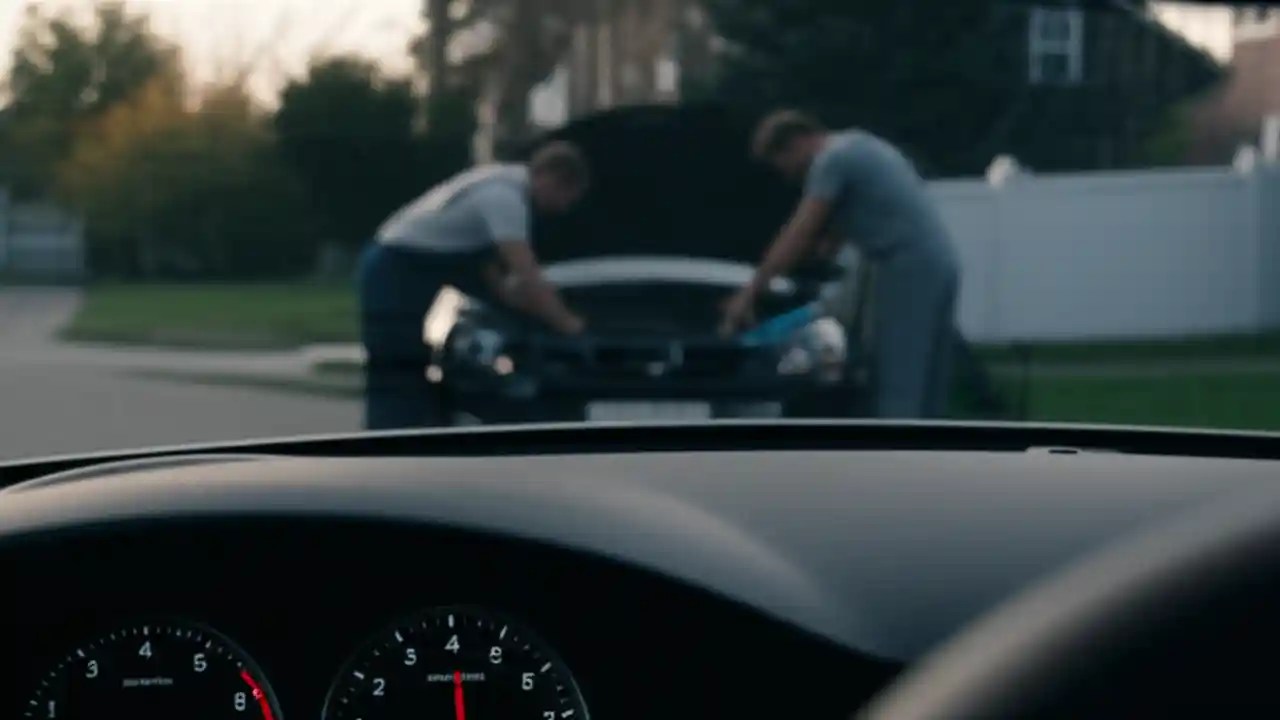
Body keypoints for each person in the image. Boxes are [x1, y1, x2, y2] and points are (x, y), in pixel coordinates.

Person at [721, 110, 960, 419]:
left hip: (907, 268)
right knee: (928, 384)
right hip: (940, 262)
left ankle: (896, 457)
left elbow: (800, 230)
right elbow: (840, 228)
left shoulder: (832, 160)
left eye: (780, 163)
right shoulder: (859, 145)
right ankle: (926, 454)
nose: (787, 175)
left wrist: (749, 294)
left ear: (796, 142)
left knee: (898, 379)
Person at [358, 141, 590, 430]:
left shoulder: (503, 180)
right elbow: (527, 273)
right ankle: (386, 451)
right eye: (566, 196)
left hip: (413, 265)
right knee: (396, 367)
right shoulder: (504, 197)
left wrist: (518, 303)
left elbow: (494, 275)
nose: (564, 207)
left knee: (414, 373)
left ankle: (413, 440)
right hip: (393, 268)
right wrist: (570, 326)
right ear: (551, 178)